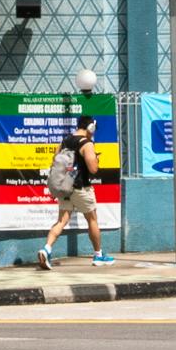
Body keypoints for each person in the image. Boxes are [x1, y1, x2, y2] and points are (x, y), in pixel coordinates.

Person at [36, 113, 114, 268]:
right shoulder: (86, 143)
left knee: (61, 221)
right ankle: (98, 255)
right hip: (80, 187)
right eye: (94, 128)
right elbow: (93, 169)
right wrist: (96, 159)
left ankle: (47, 249)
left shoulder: (65, 140)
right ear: (90, 127)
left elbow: (55, 160)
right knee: (92, 219)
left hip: (64, 187)